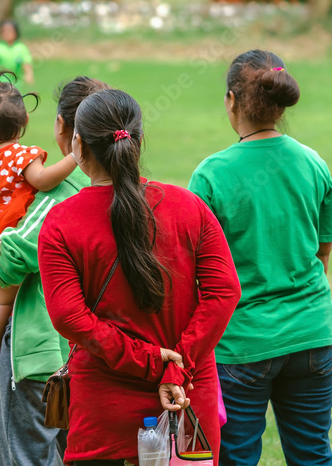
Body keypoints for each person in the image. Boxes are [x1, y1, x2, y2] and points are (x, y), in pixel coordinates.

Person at [39, 88, 242, 465]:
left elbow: (69, 316)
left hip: (104, 405)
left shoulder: (62, 221)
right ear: (138, 141)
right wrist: (176, 366)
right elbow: (224, 292)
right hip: (185, 403)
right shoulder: (188, 207)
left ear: (78, 145)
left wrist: (152, 362)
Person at [188, 50, 332, 466]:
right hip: (312, 337)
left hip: (241, 345)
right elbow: (322, 254)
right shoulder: (313, 163)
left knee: (235, 457)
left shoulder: (211, 174)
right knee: (312, 455)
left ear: (232, 101)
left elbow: (193, 270)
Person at [0, 76, 110, 466]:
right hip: (102, 353)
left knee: (27, 456)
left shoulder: (60, 194)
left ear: (61, 126)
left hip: (47, 352)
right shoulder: (127, 192)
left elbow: (12, 257)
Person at [0, 71, 78, 362]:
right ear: (25, 121)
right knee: (7, 304)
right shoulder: (22, 157)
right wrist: (74, 158)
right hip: (9, 239)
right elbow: (43, 180)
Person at [0, 19, 34, 85]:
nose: (7, 33)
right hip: (0, 82)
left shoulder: (21, 47)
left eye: (10, 30)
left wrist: (29, 75)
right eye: (4, 31)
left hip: (16, 82)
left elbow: (26, 63)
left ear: (16, 31)